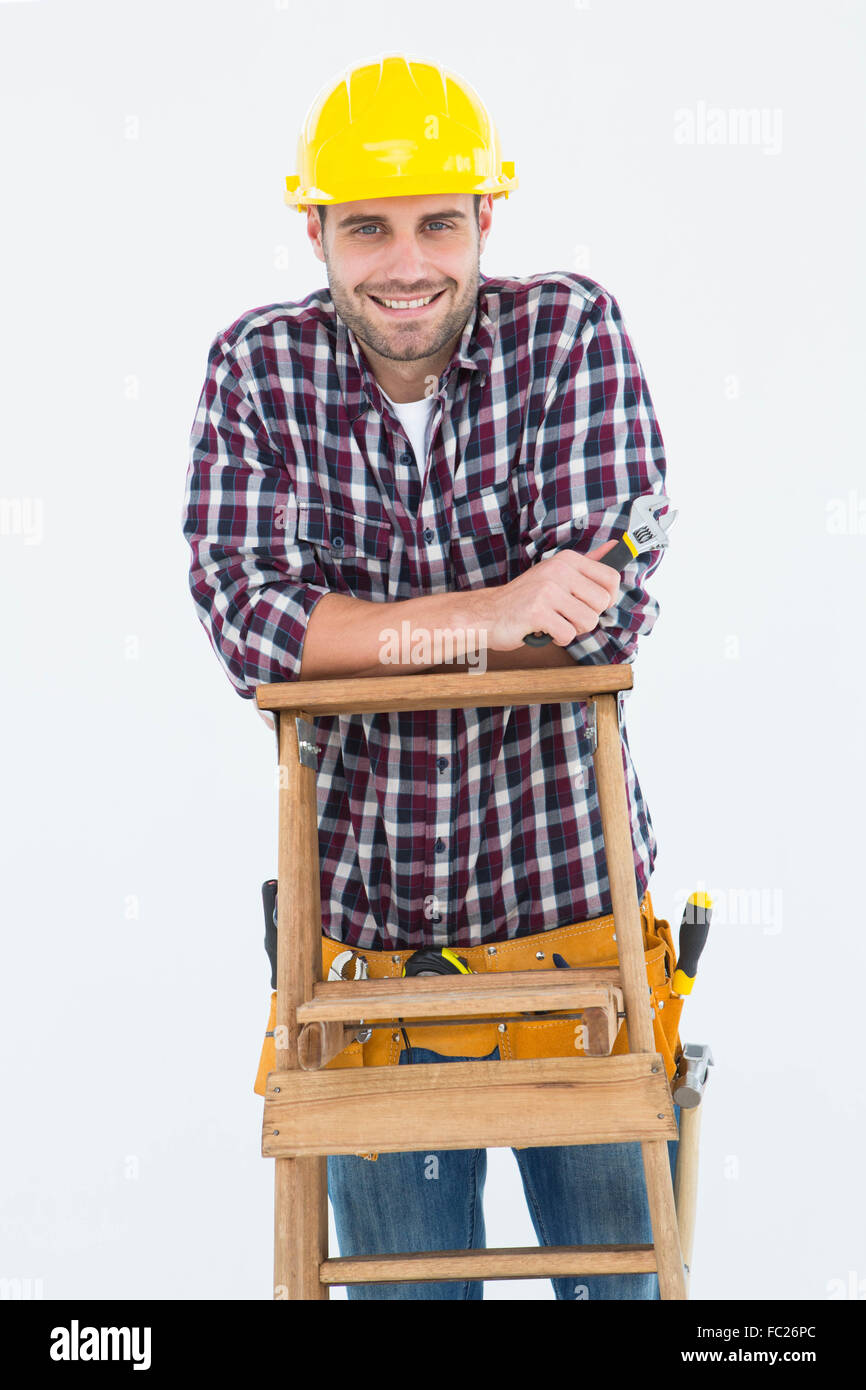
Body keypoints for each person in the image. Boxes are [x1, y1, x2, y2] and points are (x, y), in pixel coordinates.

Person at [182, 52, 680, 1300]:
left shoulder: (568, 332)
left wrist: (362, 629)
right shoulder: (256, 370)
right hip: (368, 959)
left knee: (622, 1294)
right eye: (367, 228)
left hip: (579, 936)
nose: (406, 264)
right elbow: (249, 622)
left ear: (484, 219)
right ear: (315, 230)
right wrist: (494, 609)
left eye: (435, 223)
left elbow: (593, 614)